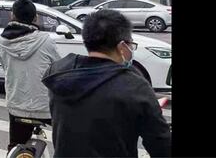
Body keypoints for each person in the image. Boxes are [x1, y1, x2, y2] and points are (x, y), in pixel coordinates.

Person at [42, 9, 171, 157]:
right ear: (123, 46)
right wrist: (151, 110)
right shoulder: (134, 85)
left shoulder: (59, 73)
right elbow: (161, 146)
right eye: (131, 44)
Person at [0, 0, 60, 150]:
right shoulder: (45, 40)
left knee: (15, 146)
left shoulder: (2, 42)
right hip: (46, 108)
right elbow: (58, 68)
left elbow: (5, 66)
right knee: (65, 142)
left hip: (16, 105)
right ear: (35, 18)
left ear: (12, 16)